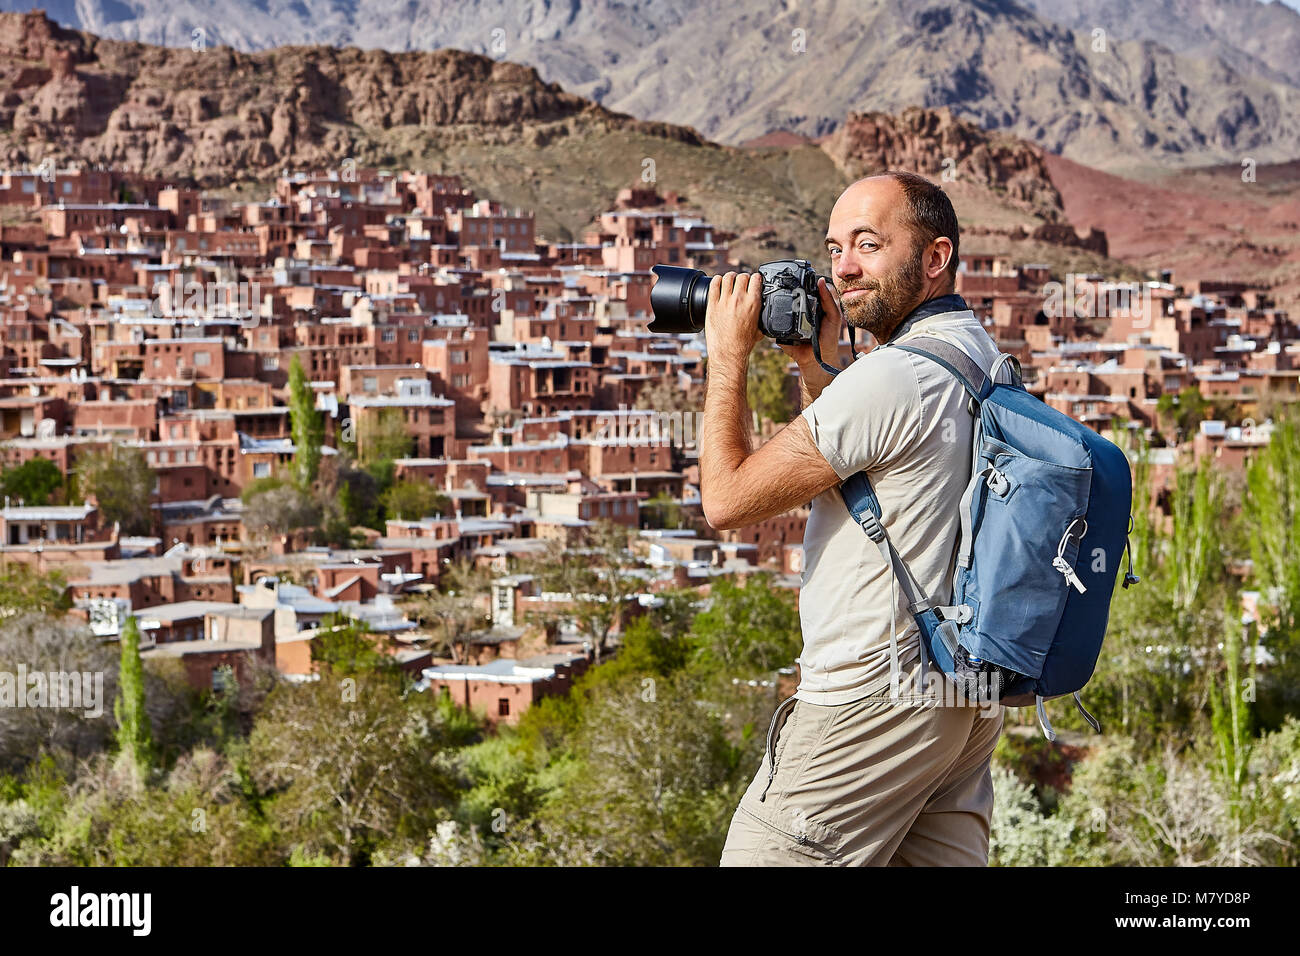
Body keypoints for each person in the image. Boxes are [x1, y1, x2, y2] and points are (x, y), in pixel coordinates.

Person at [701, 171, 1008, 866]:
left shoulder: (894, 375)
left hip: (868, 703)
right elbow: (873, 466)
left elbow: (725, 499)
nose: (843, 267)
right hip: (958, 695)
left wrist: (727, 359)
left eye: (869, 245)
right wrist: (818, 365)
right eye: (836, 247)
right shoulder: (975, 354)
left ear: (934, 258)